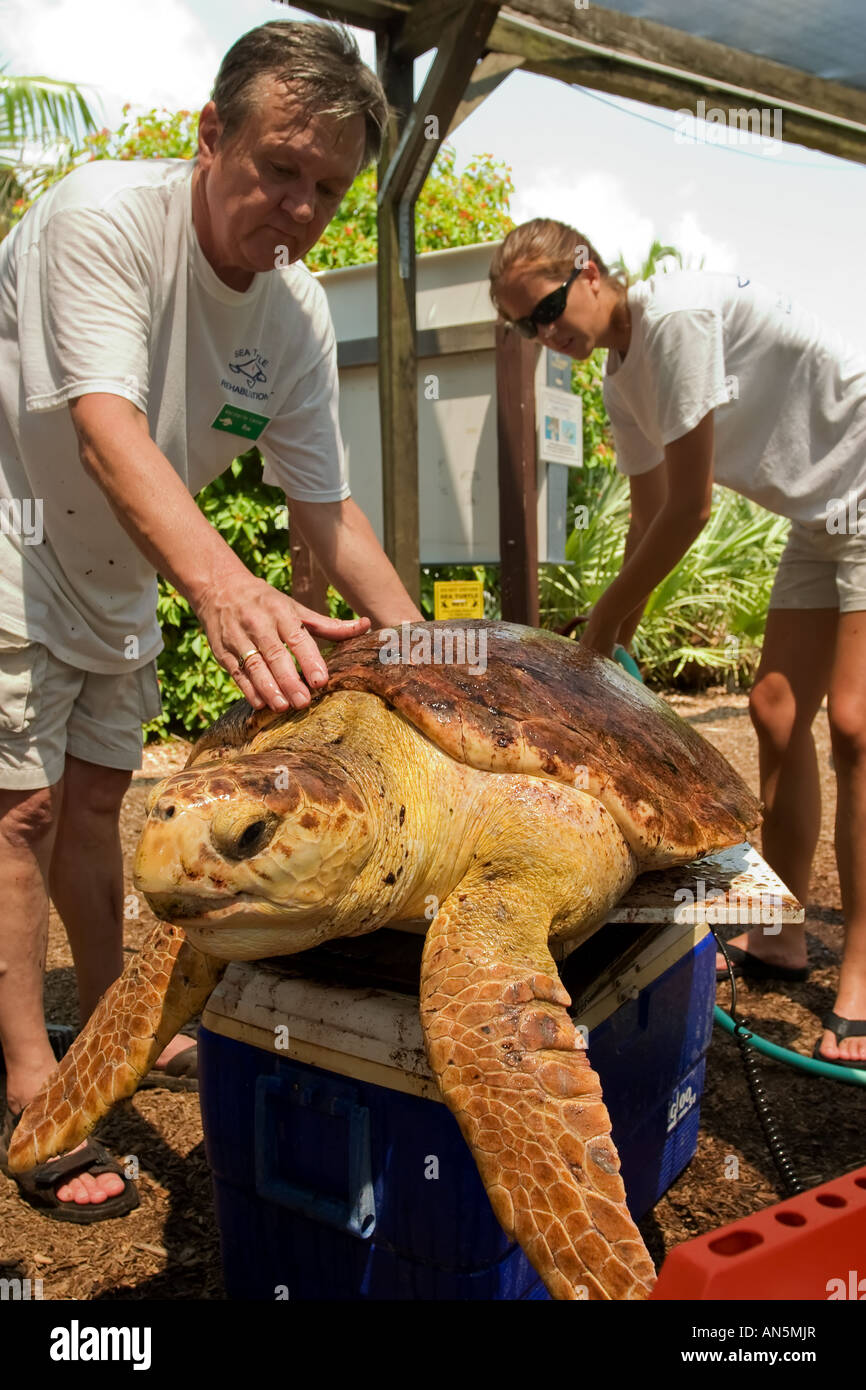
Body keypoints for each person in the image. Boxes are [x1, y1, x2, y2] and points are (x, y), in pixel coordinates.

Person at [0, 19, 421, 1218]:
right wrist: (227, 586)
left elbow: (327, 512)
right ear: (208, 136)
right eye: (278, 169)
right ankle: (36, 1080)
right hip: (13, 529)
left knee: (94, 798)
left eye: (327, 189)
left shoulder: (291, 313)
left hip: (123, 553)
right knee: (20, 807)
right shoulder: (102, 220)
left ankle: (110, 1017)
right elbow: (103, 427)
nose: (297, 208)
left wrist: (429, 657)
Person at [490, 218, 866, 1071]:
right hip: (820, 516)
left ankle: (861, 975)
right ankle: (779, 928)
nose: (548, 334)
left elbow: (691, 508)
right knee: (773, 712)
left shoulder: (676, 320)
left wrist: (602, 622)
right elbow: (646, 515)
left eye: (549, 308)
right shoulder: (623, 379)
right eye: (527, 327)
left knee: (854, 726)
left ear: (589, 272)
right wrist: (610, 635)